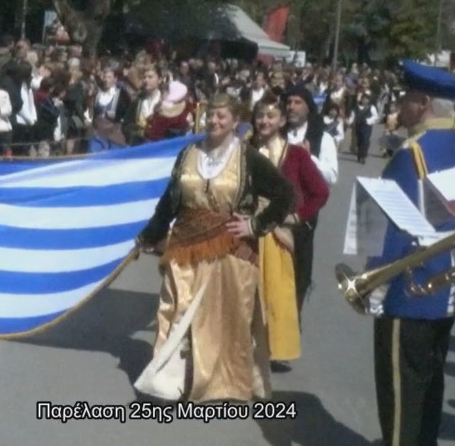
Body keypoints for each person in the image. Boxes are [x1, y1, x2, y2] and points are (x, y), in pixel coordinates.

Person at [134, 93, 294, 402]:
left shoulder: (247, 158)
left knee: (218, 318)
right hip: (183, 245)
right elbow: (170, 201)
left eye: (222, 117)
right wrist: (150, 234)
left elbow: (285, 194)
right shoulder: (189, 153)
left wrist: (255, 225)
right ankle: (169, 381)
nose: (214, 122)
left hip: (229, 250)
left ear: (236, 121)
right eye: (211, 115)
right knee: (175, 309)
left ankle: (216, 381)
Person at [366, 60, 455, 446]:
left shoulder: (412, 154)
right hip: (448, 290)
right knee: (429, 386)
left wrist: (374, 285)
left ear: (422, 103)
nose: (399, 107)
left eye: (405, 99)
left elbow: (392, 227)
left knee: (400, 393)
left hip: (407, 292)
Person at [249, 96, 329, 373]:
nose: (264, 121)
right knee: (245, 289)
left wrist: (297, 216)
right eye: (260, 115)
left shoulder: (296, 154)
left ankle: (272, 348)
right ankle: (243, 345)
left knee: (274, 291)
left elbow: (320, 191)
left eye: (271, 116)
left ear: (282, 121)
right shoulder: (245, 150)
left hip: (279, 234)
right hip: (246, 230)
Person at [281, 84, 338, 320]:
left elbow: (332, 176)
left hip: (303, 218)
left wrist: (308, 157)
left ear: (308, 107)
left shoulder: (321, 137)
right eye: (289, 102)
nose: (292, 107)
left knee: (298, 275)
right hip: (274, 215)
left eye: (298, 102)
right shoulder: (276, 130)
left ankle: (291, 326)